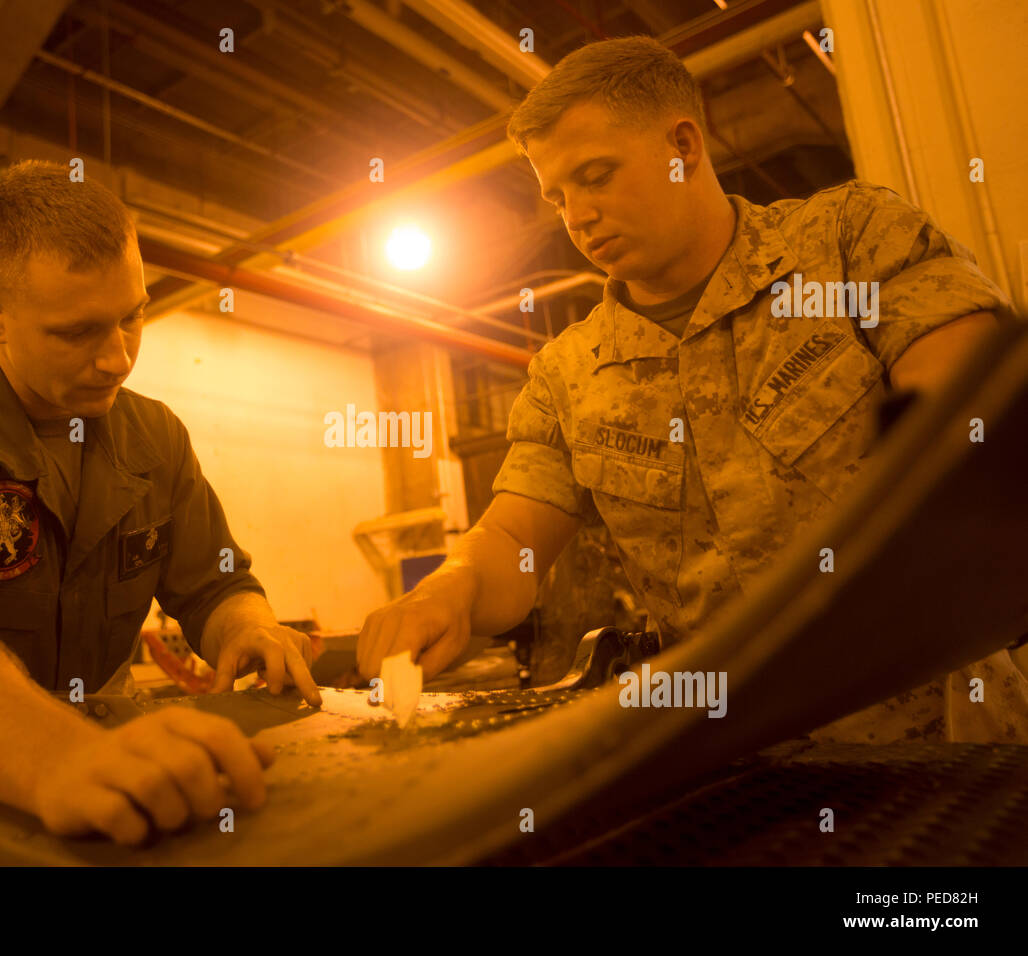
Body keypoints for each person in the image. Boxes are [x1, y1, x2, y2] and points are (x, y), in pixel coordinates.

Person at [355, 36, 1028, 744]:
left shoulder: (849, 244)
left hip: (952, 748)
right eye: (557, 196)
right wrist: (447, 591)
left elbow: (961, 411)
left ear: (683, 146)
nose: (576, 216)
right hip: (732, 768)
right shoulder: (569, 371)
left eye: (595, 175)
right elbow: (514, 535)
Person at [0, 160, 321, 847]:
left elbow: (216, 581)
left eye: (133, 319)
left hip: (90, 764)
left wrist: (248, 627)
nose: (117, 359)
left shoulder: (155, 437)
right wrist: (62, 757)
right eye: (76, 333)